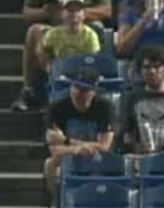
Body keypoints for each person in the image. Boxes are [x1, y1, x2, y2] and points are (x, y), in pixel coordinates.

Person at [44, 68, 116, 196]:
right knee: (50, 164)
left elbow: (105, 147)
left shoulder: (104, 107)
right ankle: (60, 202)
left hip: (96, 158)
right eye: (75, 87)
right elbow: (54, 149)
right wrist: (77, 150)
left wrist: (67, 141)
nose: (78, 93)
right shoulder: (57, 107)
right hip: (69, 156)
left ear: (93, 92)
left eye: (84, 90)